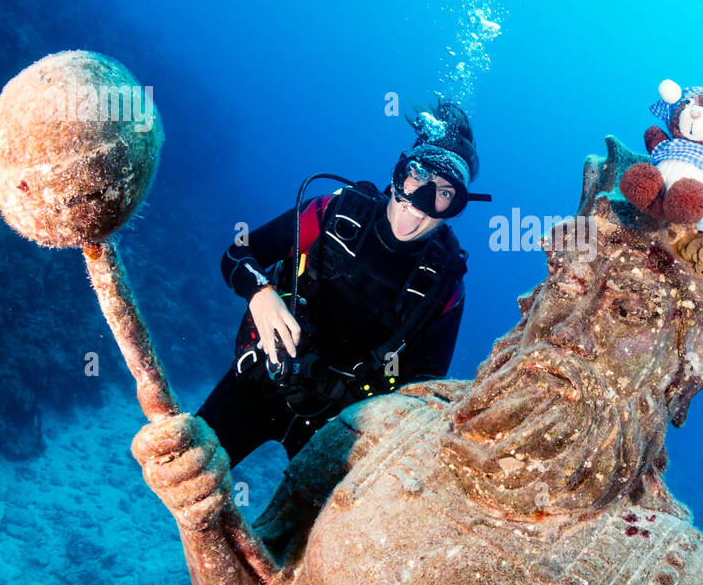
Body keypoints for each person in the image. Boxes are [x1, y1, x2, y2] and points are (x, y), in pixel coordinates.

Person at [197, 100, 488, 466]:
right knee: (190, 476)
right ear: (400, 174)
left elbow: (425, 389)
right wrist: (260, 292)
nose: (422, 203)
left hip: (337, 433)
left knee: (305, 526)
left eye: (445, 194)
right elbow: (237, 255)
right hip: (261, 378)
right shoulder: (332, 213)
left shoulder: (444, 286)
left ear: (456, 206)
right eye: (418, 177)